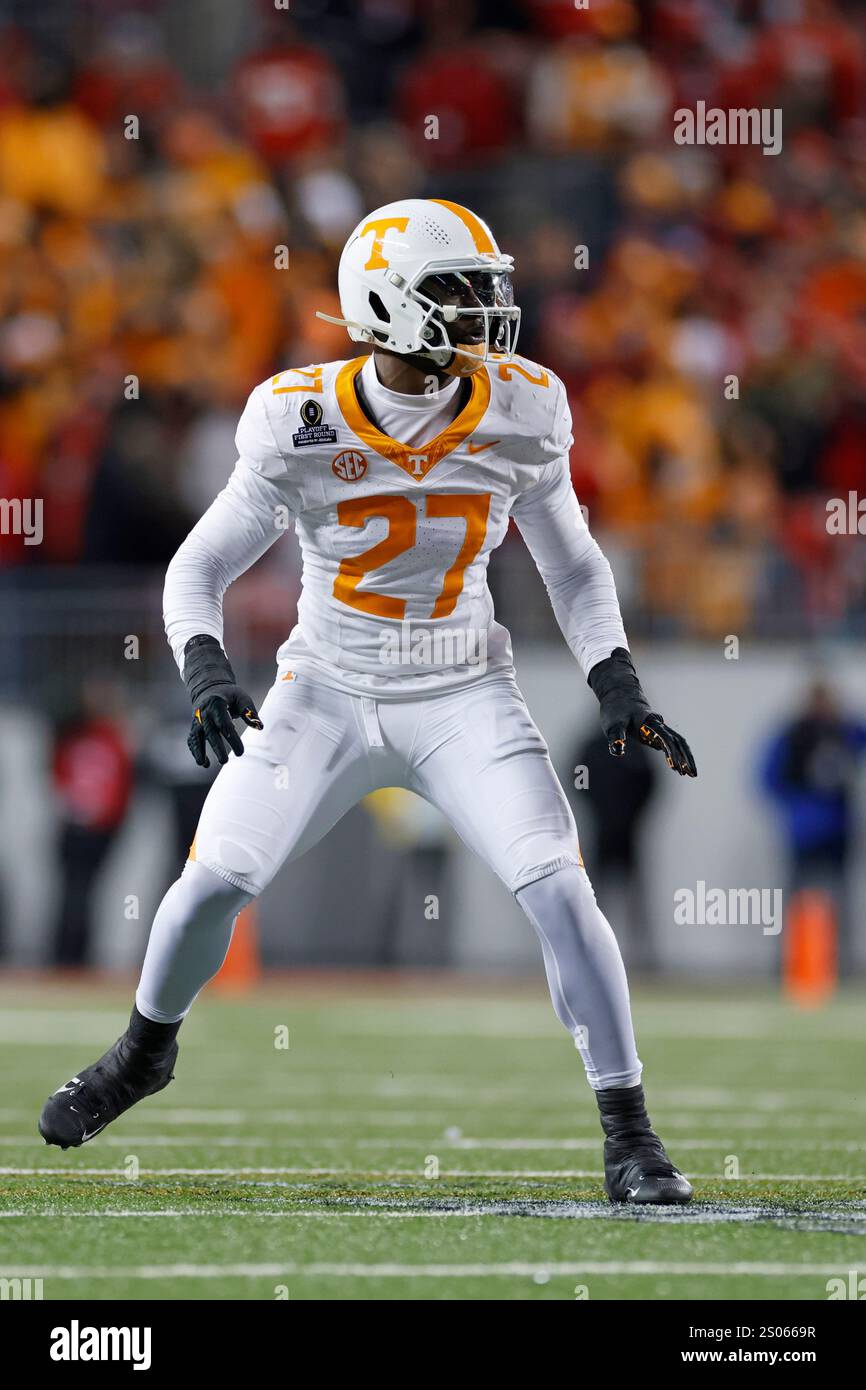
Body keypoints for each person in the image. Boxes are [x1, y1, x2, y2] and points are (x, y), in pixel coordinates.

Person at [40, 199, 697, 1204]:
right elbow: (198, 567)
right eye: (457, 291)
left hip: (464, 690)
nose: (483, 310)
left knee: (560, 890)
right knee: (212, 883)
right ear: (387, 303)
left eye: (484, 288)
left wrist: (615, 679)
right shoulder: (300, 414)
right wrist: (206, 669)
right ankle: (141, 1053)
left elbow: (571, 563)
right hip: (326, 692)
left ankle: (630, 1133)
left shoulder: (521, 406)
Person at [760, 679, 866, 976]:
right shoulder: (794, 734)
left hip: (837, 831)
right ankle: (791, 963)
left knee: (839, 900)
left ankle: (838, 964)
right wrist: (796, 807)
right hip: (804, 832)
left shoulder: (843, 731)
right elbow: (768, 777)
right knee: (796, 900)